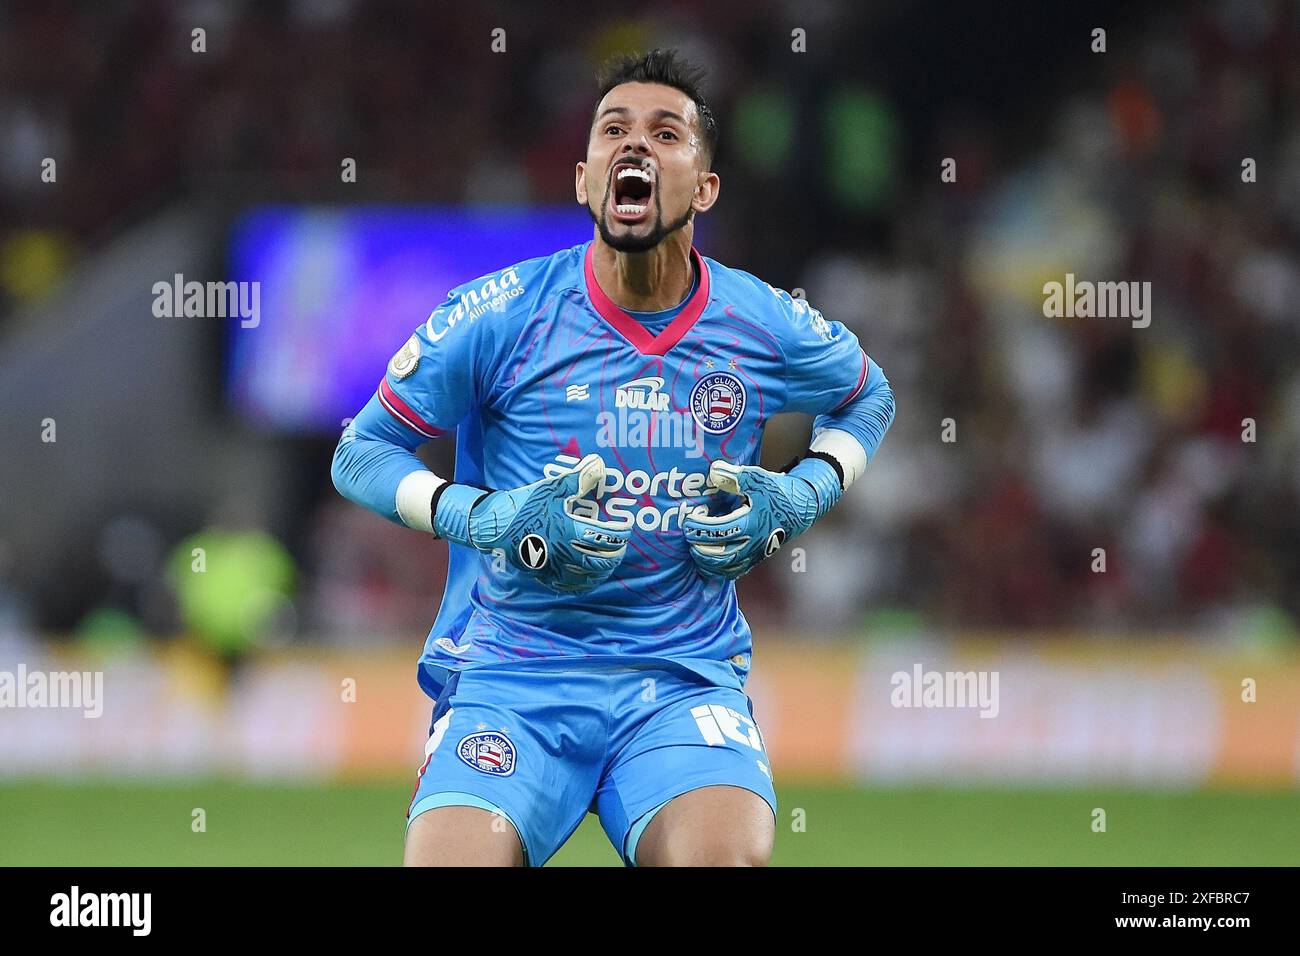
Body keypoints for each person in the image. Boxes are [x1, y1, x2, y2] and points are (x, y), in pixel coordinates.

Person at [331, 48, 895, 866]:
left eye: (666, 132)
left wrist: (802, 494)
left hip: (680, 680)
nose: (635, 145)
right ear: (584, 179)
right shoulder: (500, 314)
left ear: (703, 187)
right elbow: (362, 451)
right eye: (613, 131)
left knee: (722, 859)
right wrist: (485, 516)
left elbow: (868, 397)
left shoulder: (762, 321)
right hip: (513, 682)